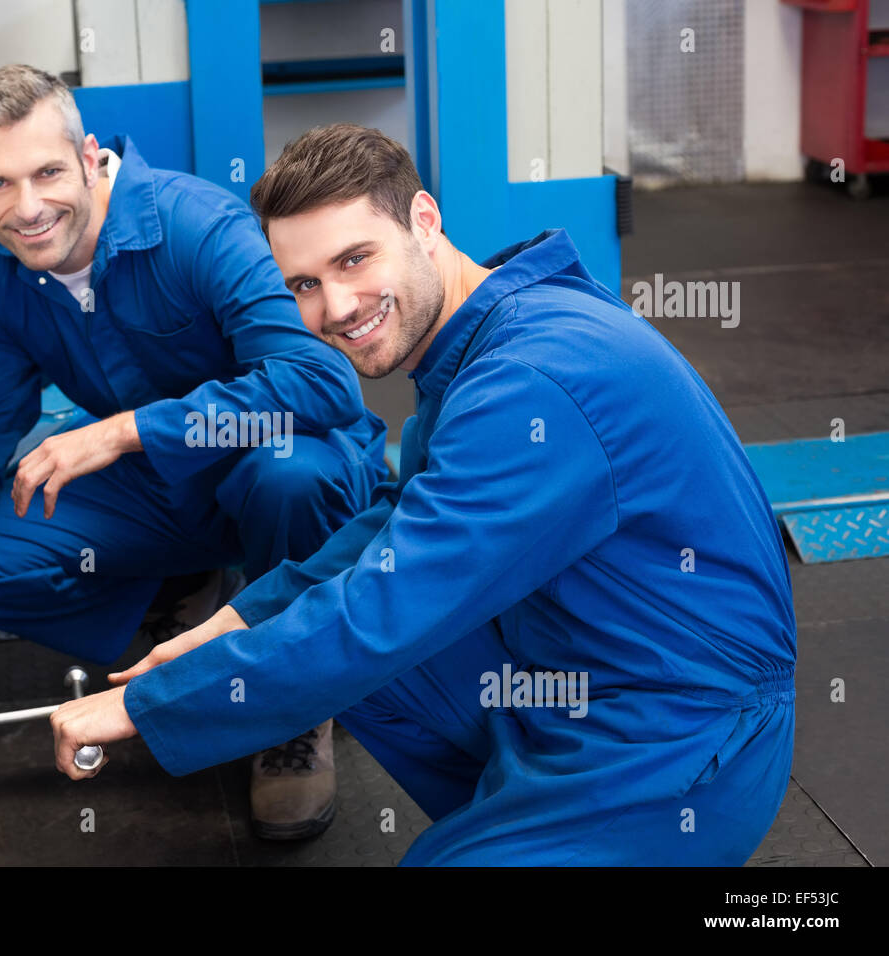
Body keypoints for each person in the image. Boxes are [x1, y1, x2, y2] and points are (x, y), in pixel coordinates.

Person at [50, 124, 797, 865]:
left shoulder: (528, 384)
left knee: (369, 659)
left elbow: (384, 610)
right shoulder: (484, 333)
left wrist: (139, 707)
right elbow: (398, 524)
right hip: (578, 673)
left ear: (424, 220)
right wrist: (235, 622)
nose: (335, 307)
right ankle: (526, 828)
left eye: (354, 258)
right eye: (304, 285)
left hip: (686, 734)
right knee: (347, 660)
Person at [0, 69, 389, 840]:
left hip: (279, 464)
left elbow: (320, 383)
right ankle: (182, 585)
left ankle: (299, 706)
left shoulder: (199, 227)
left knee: (291, 476)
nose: (26, 208)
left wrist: (126, 430)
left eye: (47, 173)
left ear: (90, 159)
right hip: (163, 493)